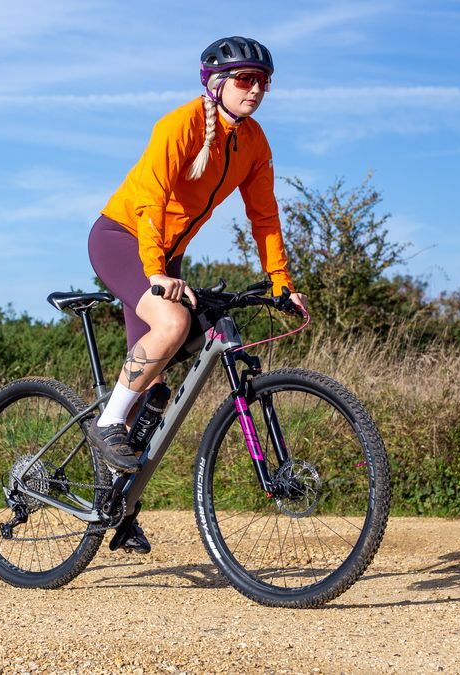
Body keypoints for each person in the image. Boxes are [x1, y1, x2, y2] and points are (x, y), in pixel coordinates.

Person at [85, 36, 308, 553]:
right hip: (124, 237)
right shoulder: (179, 125)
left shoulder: (254, 143)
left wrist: (281, 282)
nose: (256, 90)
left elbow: (265, 217)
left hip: (166, 256)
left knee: (180, 350)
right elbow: (151, 204)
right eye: (245, 80)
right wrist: (156, 272)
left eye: (263, 82)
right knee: (172, 325)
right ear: (217, 84)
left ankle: (117, 501)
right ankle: (110, 421)